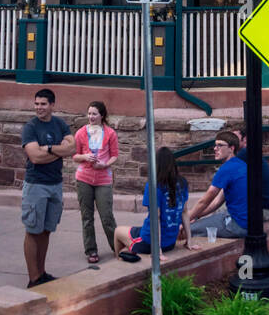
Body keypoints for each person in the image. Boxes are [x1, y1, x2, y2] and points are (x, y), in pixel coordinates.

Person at [20, 88, 75, 288]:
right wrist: (61, 152)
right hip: (36, 185)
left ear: (52, 105)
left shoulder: (59, 124)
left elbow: (73, 147)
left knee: (46, 231)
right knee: (33, 230)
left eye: (43, 104)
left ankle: (41, 273)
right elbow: (35, 156)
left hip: (55, 185)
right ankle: (33, 278)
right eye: (36, 104)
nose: (39, 108)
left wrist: (50, 149)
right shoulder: (30, 127)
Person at [114, 147, 191, 262]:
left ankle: (118, 261)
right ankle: (125, 254)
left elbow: (156, 219)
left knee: (117, 231)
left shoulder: (154, 186)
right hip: (171, 242)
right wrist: (189, 241)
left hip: (150, 242)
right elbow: (184, 212)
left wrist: (157, 250)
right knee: (135, 231)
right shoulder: (182, 183)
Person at [73, 100, 119, 264]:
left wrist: (105, 164)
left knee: (107, 216)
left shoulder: (110, 133)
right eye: (89, 113)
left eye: (94, 114)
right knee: (87, 217)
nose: (91, 117)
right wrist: (85, 157)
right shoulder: (80, 133)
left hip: (103, 178)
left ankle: (117, 247)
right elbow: (75, 155)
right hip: (84, 177)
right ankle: (91, 250)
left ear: (102, 115)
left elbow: (115, 155)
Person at [188, 130, 249, 239]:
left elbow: (204, 201)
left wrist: (185, 220)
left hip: (236, 225)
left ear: (232, 148)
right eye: (215, 145)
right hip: (248, 223)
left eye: (220, 145)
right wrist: (196, 216)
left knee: (186, 229)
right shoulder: (240, 164)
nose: (215, 149)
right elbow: (217, 202)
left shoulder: (226, 169)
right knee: (196, 221)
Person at [235, 125, 269, 222]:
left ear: (245, 139)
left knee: (220, 213)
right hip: (264, 208)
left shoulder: (244, 153)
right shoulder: (249, 152)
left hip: (262, 211)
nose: (231, 140)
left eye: (235, 137)